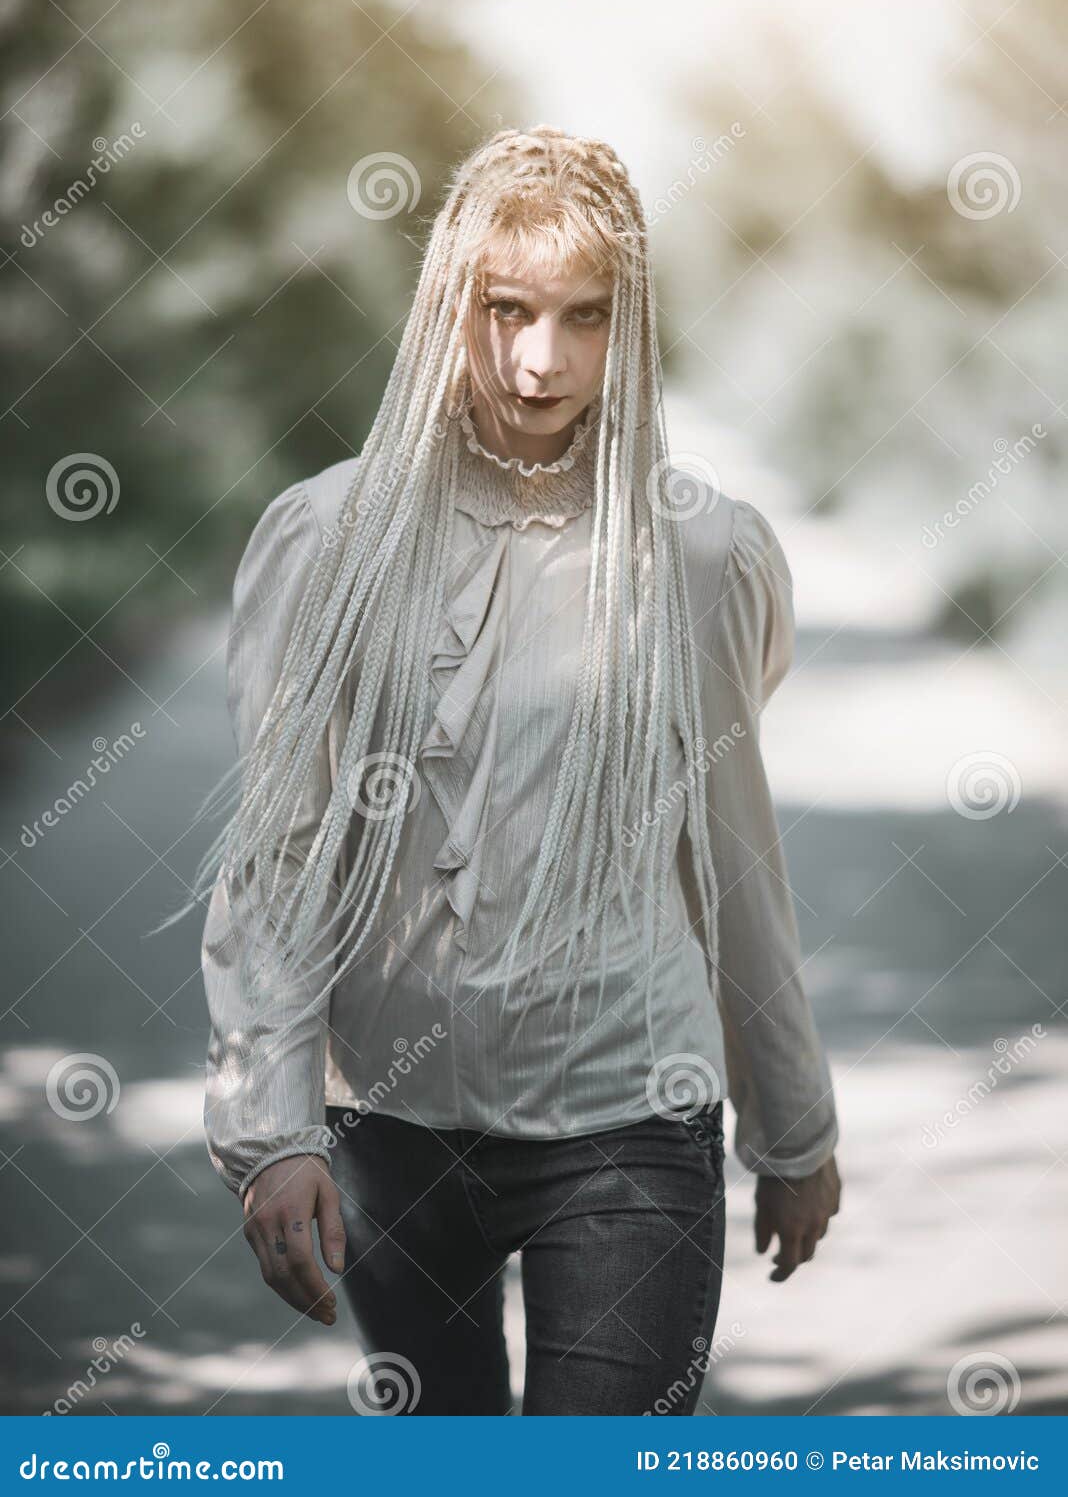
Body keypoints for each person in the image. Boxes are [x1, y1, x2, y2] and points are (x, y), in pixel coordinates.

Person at [189, 125, 840, 1416]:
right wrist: (272, 1128)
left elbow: (731, 850)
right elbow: (284, 854)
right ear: (448, 307)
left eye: (584, 318)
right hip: (391, 1128)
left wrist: (794, 1123)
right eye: (506, 311)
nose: (541, 362)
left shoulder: (699, 555)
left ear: (630, 328)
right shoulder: (328, 541)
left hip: (628, 1119)